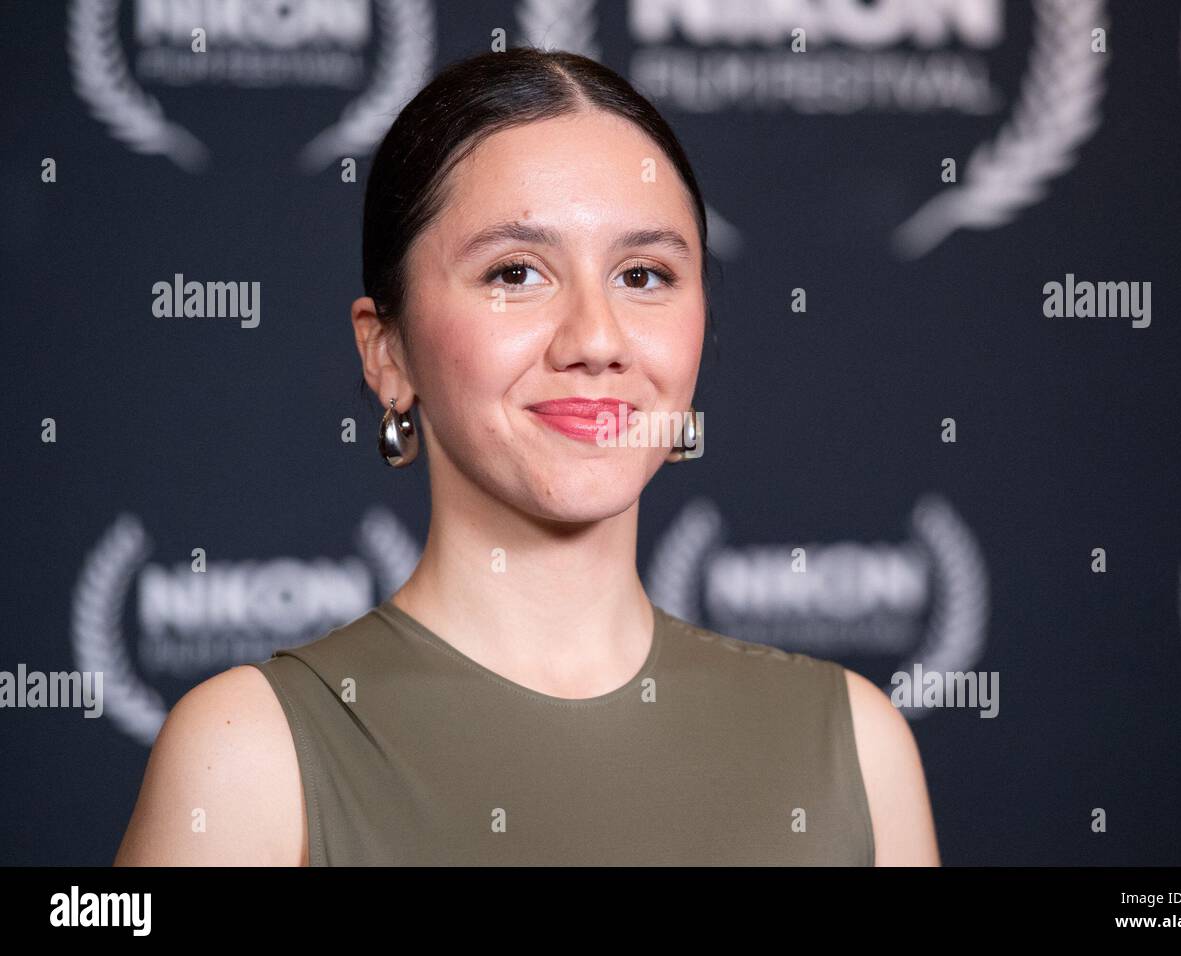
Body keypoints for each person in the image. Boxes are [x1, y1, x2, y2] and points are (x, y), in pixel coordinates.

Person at [114, 46, 940, 867]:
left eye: (644, 275)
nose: (595, 339)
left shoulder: (856, 749)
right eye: (516, 271)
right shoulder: (247, 757)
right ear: (387, 352)